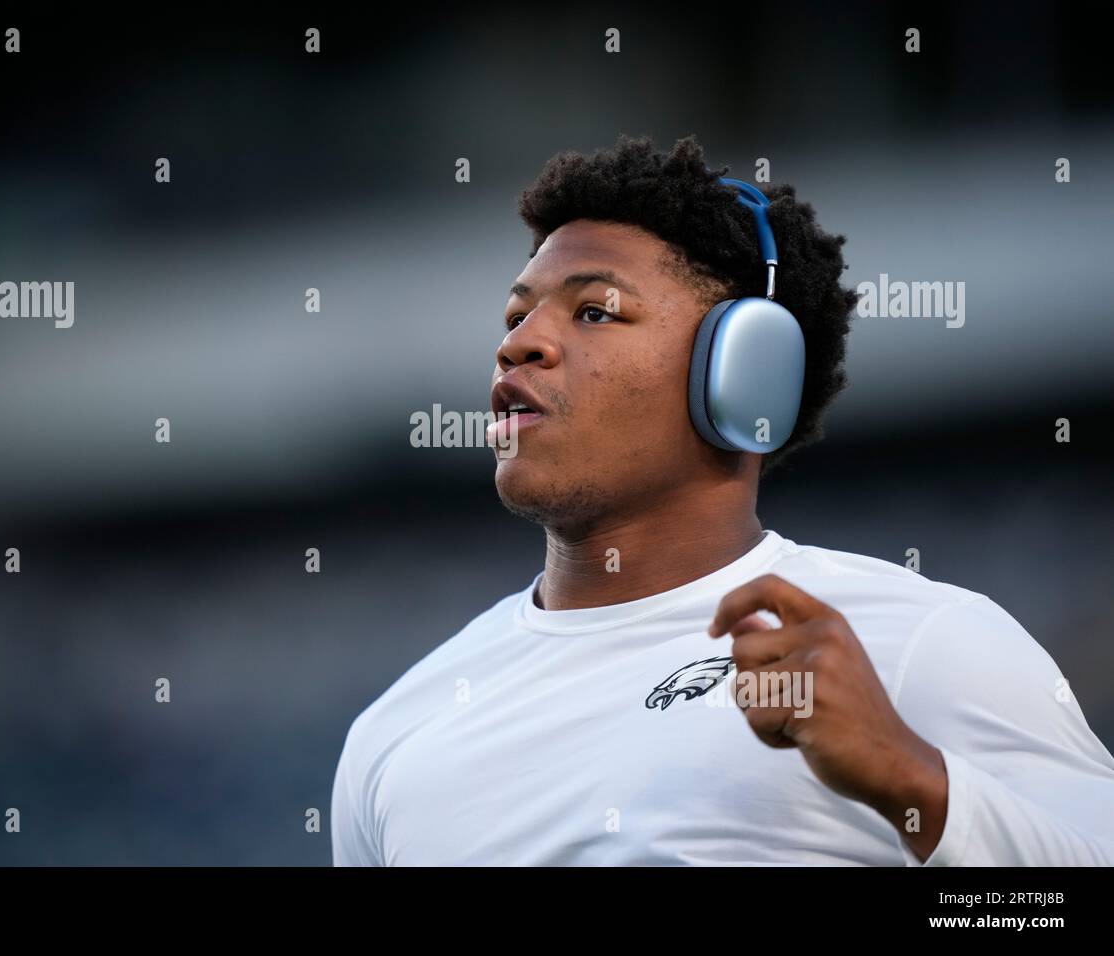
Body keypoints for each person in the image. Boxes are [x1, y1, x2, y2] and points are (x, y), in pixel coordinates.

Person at [331, 134, 1114, 865]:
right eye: (515, 315)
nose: (519, 342)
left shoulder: (921, 647)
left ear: (746, 373)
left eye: (595, 310)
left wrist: (914, 781)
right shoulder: (394, 735)